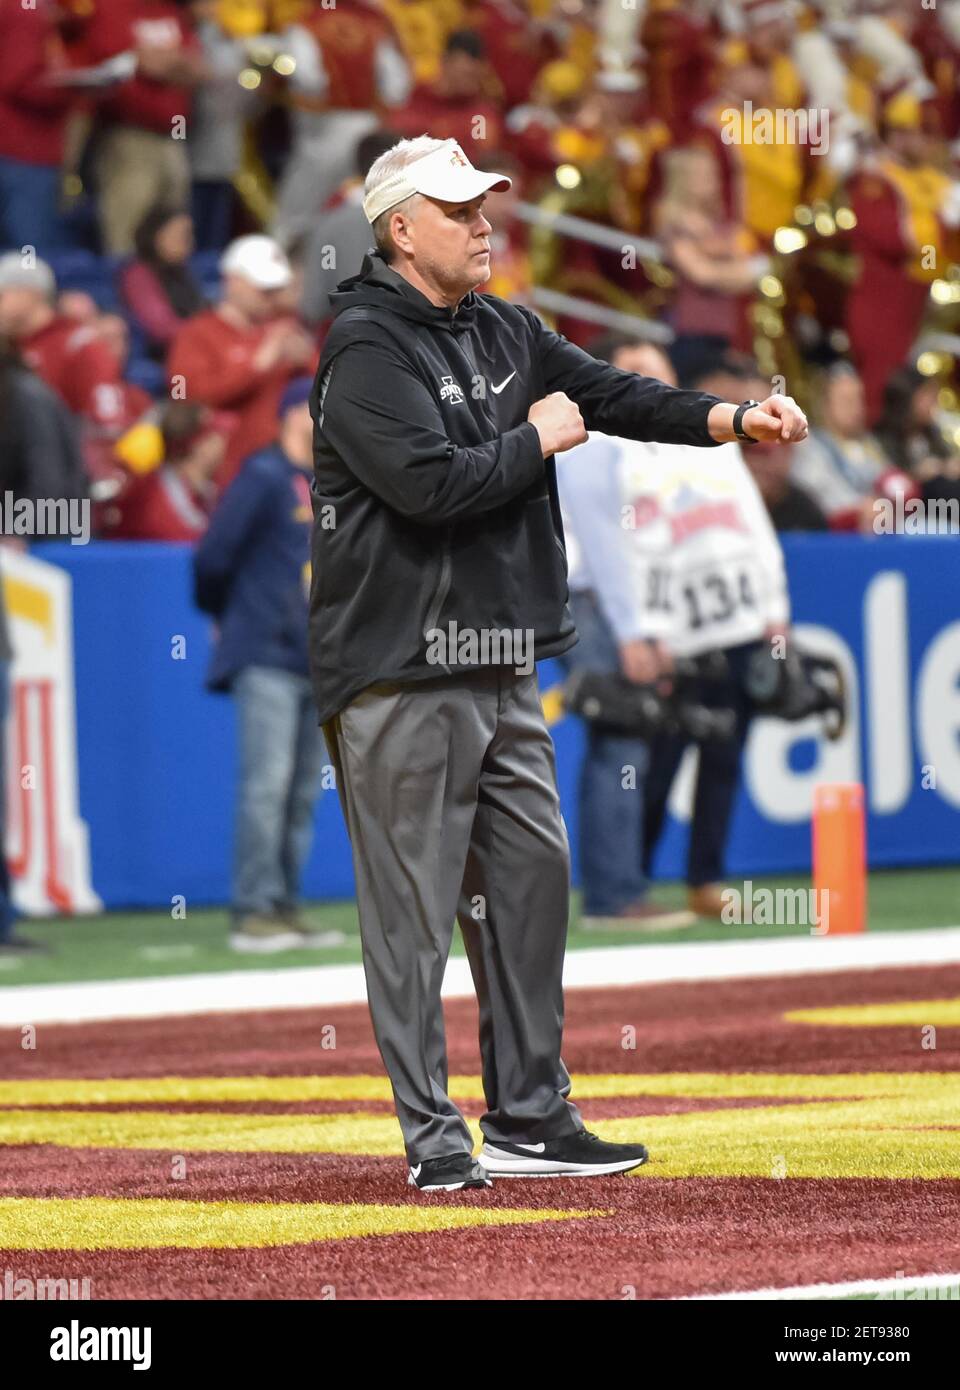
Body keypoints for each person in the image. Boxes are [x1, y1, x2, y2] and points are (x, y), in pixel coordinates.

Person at [308, 134, 807, 1192]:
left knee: (533, 888)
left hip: (501, 664)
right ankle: (434, 1135)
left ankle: (532, 1113)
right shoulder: (362, 349)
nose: (486, 225)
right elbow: (428, 489)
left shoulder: (504, 326)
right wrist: (537, 439)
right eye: (460, 212)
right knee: (411, 916)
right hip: (399, 669)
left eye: (486, 206)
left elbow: (613, 394)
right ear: (401, 229)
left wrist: (730, 419)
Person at [557, 337, 792, 925]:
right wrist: (638, 629)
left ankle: (622, 888)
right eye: (632, 373)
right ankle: (613, 894)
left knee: (637, 744)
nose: (646, 384)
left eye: (653, 371)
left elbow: (743, 525)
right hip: (606, 605)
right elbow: (611, 546)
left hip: (672, 615)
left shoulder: (682, 447)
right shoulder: (597, 439)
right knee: (625, 744)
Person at [194, 378, 332, 953]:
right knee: (267, 785)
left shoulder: (331, 483)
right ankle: (253, 909)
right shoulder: (262, 476)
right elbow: (212, 557)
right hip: (268, 655)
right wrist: (232, 614)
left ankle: (283, 905)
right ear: (289, 415)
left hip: (320, 660)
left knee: (302, 790)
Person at [167, 235, 318, 489]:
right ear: (234, 282)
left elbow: (322, 392)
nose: (271, 296)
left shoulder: (284, 330)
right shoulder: (196, 334)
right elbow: (185, 398)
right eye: (263, 288)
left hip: (286, 474)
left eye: (275, 288)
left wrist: (308, 359)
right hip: (227, 475)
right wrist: (257, 365)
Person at [789, 363, 889, 530]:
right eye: (847, 401)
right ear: (825, 405)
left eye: (859, 400)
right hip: (836, 535)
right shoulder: (811, 446)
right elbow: (820, 498)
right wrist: (859, 509)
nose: (856, 409)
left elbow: (892, 482)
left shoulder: (870, 444)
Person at [119, 206, 206, 357]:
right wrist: (207, 335)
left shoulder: (183, 272)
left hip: (194, 347)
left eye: (189, 236)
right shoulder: (138, 275)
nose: (190, 243)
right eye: (182, 236)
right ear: (157, 237)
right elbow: (161, 328)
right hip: (167, 355)